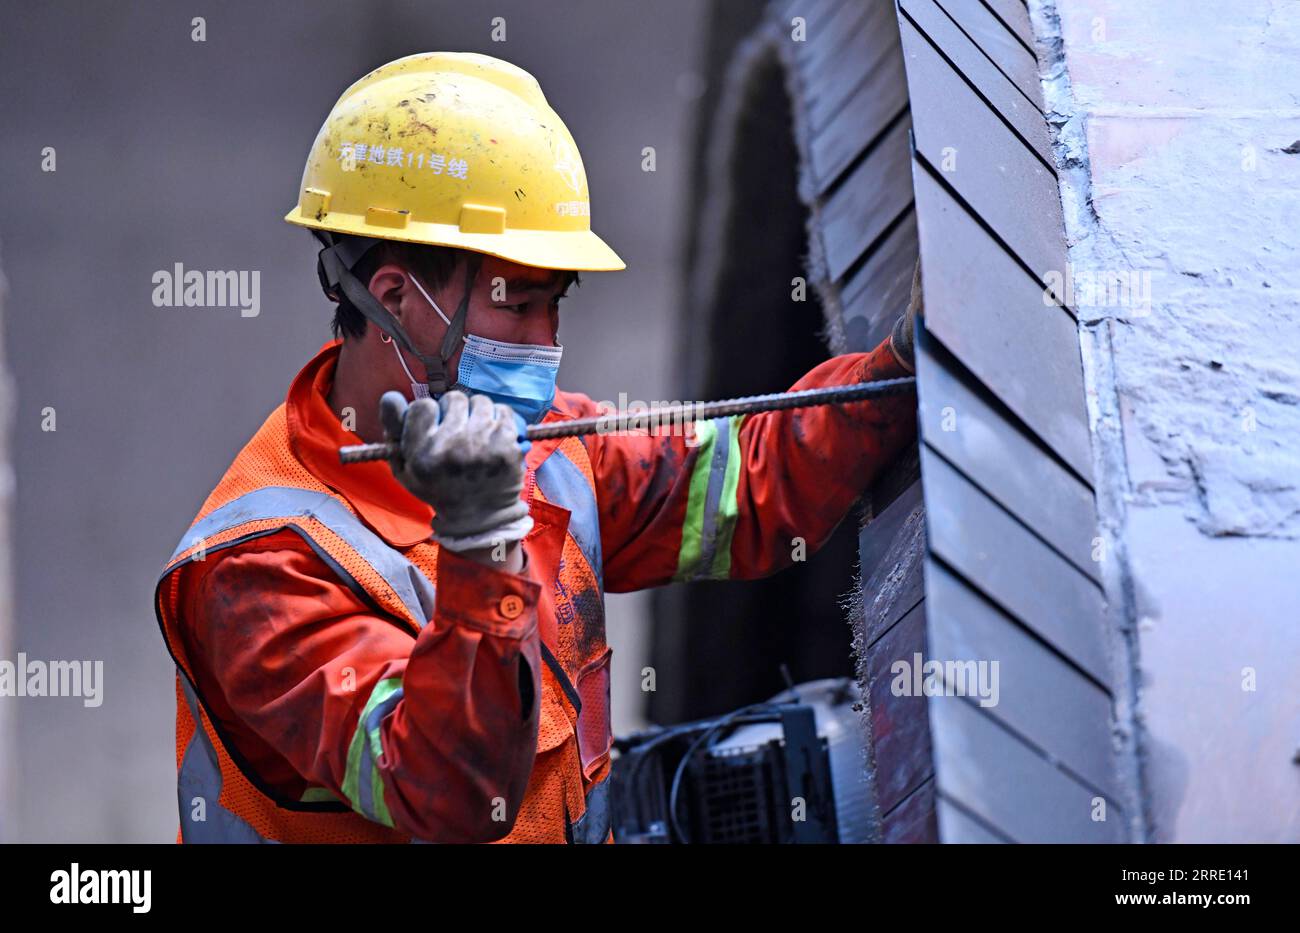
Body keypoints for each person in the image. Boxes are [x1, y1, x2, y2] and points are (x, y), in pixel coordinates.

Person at [154, 51, 920, 844]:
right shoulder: (259, 571)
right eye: (517, 304)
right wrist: (482, 549)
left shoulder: (545, 452)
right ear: (393, 298)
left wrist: (898, 368)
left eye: (555, 304)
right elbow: (450, 792)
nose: (546, 345)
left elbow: (749, 480)